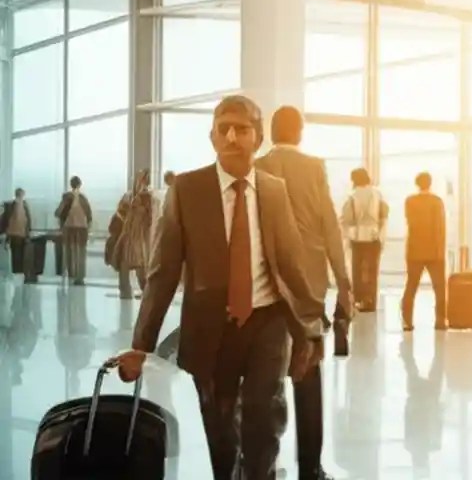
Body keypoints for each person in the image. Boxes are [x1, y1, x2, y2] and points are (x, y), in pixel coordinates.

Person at [112, 94, 325, 480]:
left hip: (267, 320)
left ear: (257, 138)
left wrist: (310, 330)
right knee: (221, 426)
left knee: (264, 417)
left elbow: (293, 267)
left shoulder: (274, 191)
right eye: (222, 129)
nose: (231, 137)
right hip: (211, 326)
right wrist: (141, 346)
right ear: (212, 138)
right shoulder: (188, 190)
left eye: (241, 130)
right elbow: (164, 272)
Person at [255, 105, 353, 480]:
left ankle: (264, 465)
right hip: (309, 286)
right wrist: (343, 280)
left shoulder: (258, 166)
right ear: (300, 132)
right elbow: (329, 224)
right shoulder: (314, 167)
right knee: (308, 374)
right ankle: (310, 468)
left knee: (265, 375)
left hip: (268, 284)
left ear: (270, 130)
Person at [402, 172, 448, 332]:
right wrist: (440, 252)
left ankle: (407, 321)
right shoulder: (437, 202)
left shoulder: (410, 201)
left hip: (414, 251)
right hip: (434, 252)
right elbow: (440, 228)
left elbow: (410, 222)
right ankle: (440, 321)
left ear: (417, 184)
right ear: (430, 183)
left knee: (411, 286)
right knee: (439, 288)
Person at [341, 168, 389, 312]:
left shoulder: (352, 195)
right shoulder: (378, 194)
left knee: (357, 269)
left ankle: (359, 299)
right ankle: (371, 301)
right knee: (372, 270)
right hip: (374, 237)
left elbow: (346, 218)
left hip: (357, 237)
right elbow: (384, 214)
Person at [113, 170, 158, 298]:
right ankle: (126, 291)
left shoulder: (147, 197)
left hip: (138, 235)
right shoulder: (132, 195)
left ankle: (144, 291)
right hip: (129, 233)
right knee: (126, 262)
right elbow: (121, 211)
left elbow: (150, 218)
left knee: (138, 264)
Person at [55, 177, 93, 285]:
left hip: (69, 227)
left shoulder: (67, 197)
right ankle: (79, 277)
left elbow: (59, 212)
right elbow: (89, 215)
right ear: (80, 185)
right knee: (80, 253)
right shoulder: (83, 198)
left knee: (69, 252)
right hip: (82, 228)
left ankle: (71, 275)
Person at [1, 188, 32, 279]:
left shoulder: (11, 205)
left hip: (13, 234)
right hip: (21, 234)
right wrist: (28, 233)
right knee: (21, 255)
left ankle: (16, 273)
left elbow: (5, 220)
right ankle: (19, 273)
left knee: (15, 254)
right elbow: (28, 221)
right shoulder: (24, 205)